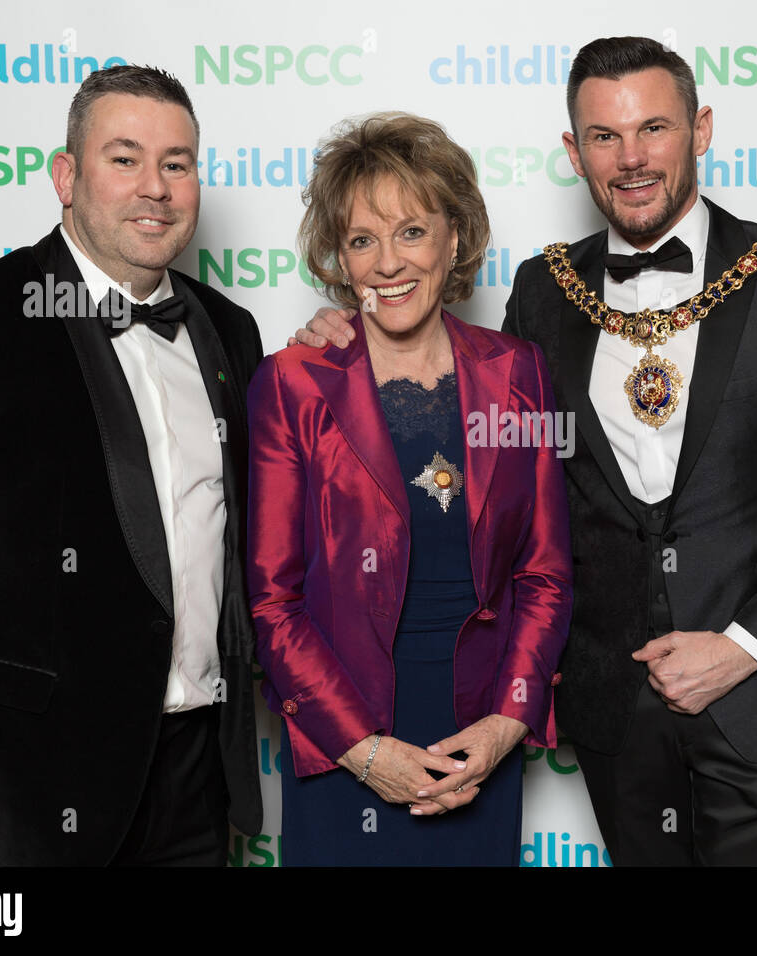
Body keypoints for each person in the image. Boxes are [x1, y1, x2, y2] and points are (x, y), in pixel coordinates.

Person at [299, 38, 757, 866]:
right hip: (611, 703)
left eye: (654, 127)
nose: (633, 158)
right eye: (606, 137)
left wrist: (743, 646)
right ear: (574, 152)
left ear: (702, 129)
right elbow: (506, 493)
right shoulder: (546, 292)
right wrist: (345, 338)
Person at [0, 65, 264, 865]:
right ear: (66, 176)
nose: (155, 186)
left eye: (177, 164)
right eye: (124, 158)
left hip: (195, 783)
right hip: (18, 790)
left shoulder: (230, 329)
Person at [248, 112, 572, 866]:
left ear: (454, 238)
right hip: (344, 738)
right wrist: (363, 751)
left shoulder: (518, 372)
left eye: (411, 233)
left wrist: (505, 727)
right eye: (362, 239)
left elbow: (545, 573)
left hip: (477, 743)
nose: (388, 263)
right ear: (340, 256)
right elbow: (273, 599)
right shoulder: (294, 382)